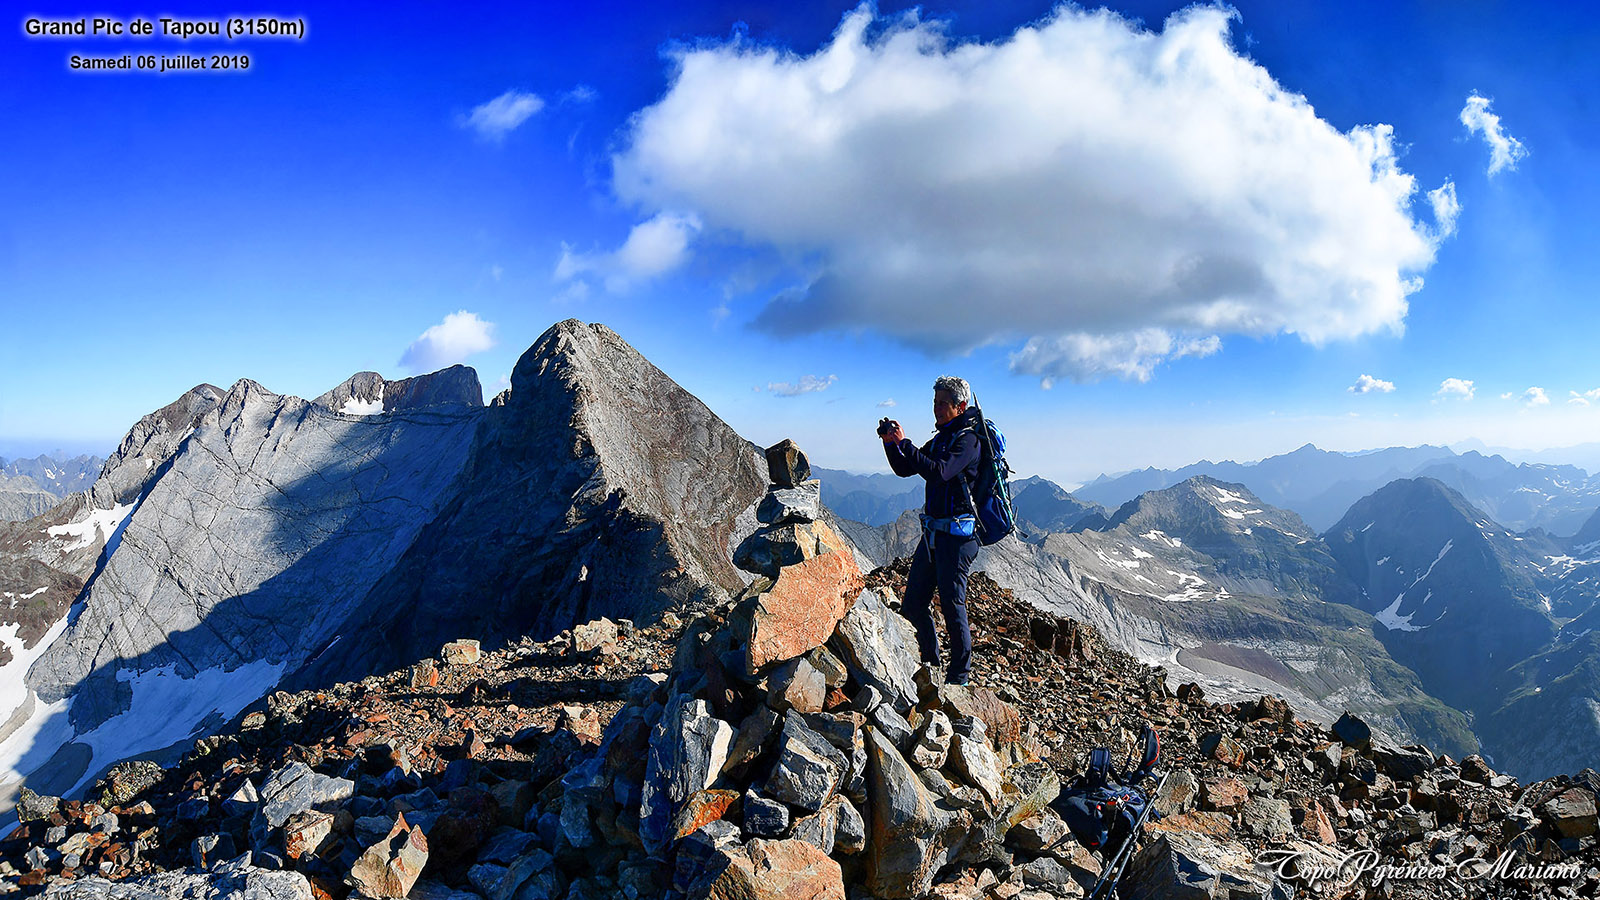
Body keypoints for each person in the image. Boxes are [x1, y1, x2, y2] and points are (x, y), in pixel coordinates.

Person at [878, 375, 982, 686]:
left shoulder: (968, 441)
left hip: (958, 538)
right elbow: (906, 467)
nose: (936, 409)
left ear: (960, 406)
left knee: (952, 606)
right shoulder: (941, 439)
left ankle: (958, 678)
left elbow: (939, 472)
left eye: (942, 404)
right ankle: (929, 665)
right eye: (935, 403)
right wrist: (890, 443)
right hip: (934, 535)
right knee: (913, 603)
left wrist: (903, 442)